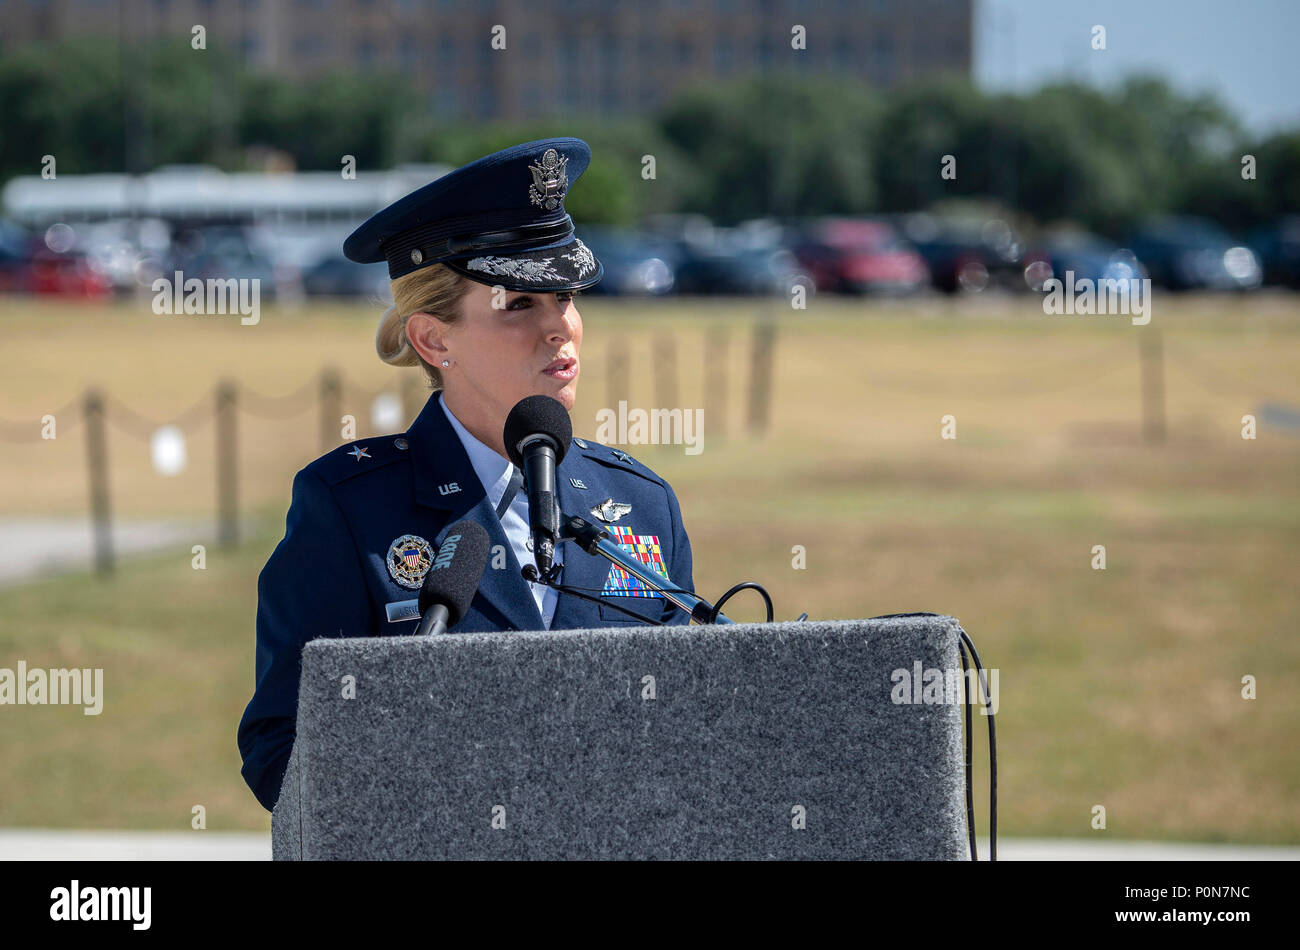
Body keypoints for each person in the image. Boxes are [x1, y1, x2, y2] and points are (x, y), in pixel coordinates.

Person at [237, 138, 696, 812]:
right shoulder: (350, 507)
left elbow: (692, 730)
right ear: (433, 339)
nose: (559, 328)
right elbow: (283, 750)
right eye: (520, 305)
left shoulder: (640, 502)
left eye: (564, 295)